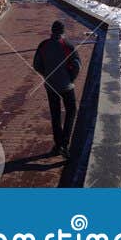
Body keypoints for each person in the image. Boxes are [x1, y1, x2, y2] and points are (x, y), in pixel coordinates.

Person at [32, 20, 81, 156]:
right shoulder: (68, 46)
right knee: (71, 111)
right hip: (66, 86)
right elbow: (77, 65)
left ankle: (57, 144)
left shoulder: (43, 45)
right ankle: (65, 144)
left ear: (52, 31)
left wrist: (47, 75)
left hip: (50, 85)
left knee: (55, 114)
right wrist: (70, 78)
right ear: (63, 31)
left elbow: (36, 65)